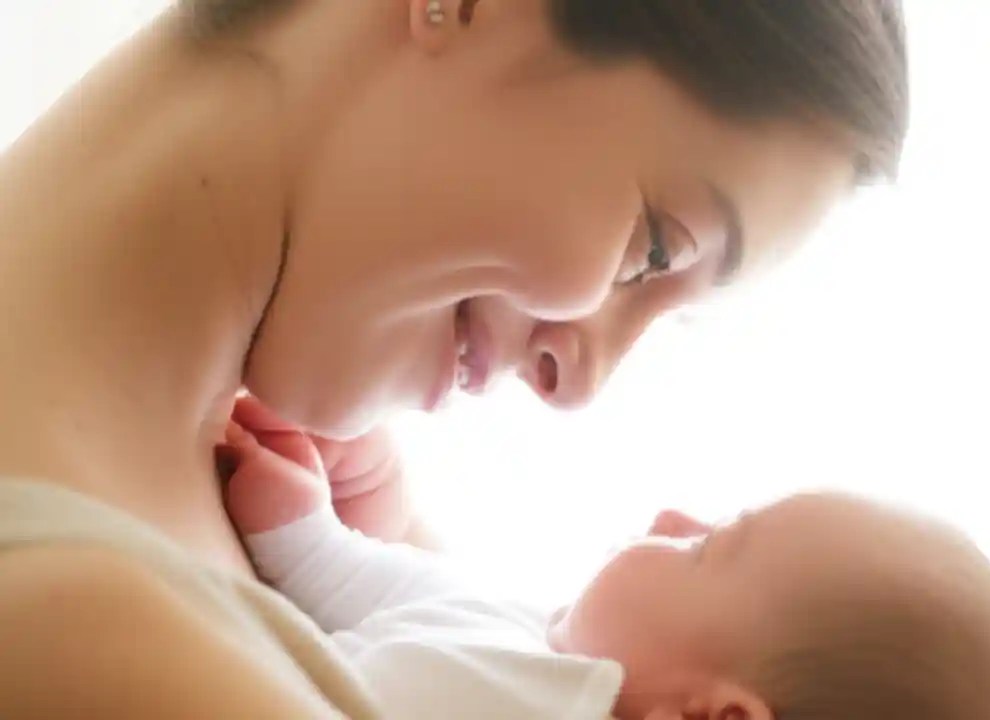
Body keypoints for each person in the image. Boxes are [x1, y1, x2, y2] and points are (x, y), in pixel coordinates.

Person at [0, 0, 908, 716]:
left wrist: (390, 550)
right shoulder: (94, 637)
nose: (578, 384)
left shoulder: (196, 532)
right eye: (653, 249)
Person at [223, 413, 990, 719]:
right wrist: (303, 529)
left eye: (707, 547)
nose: (668, 519)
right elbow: (398, 593)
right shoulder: (552, 648)